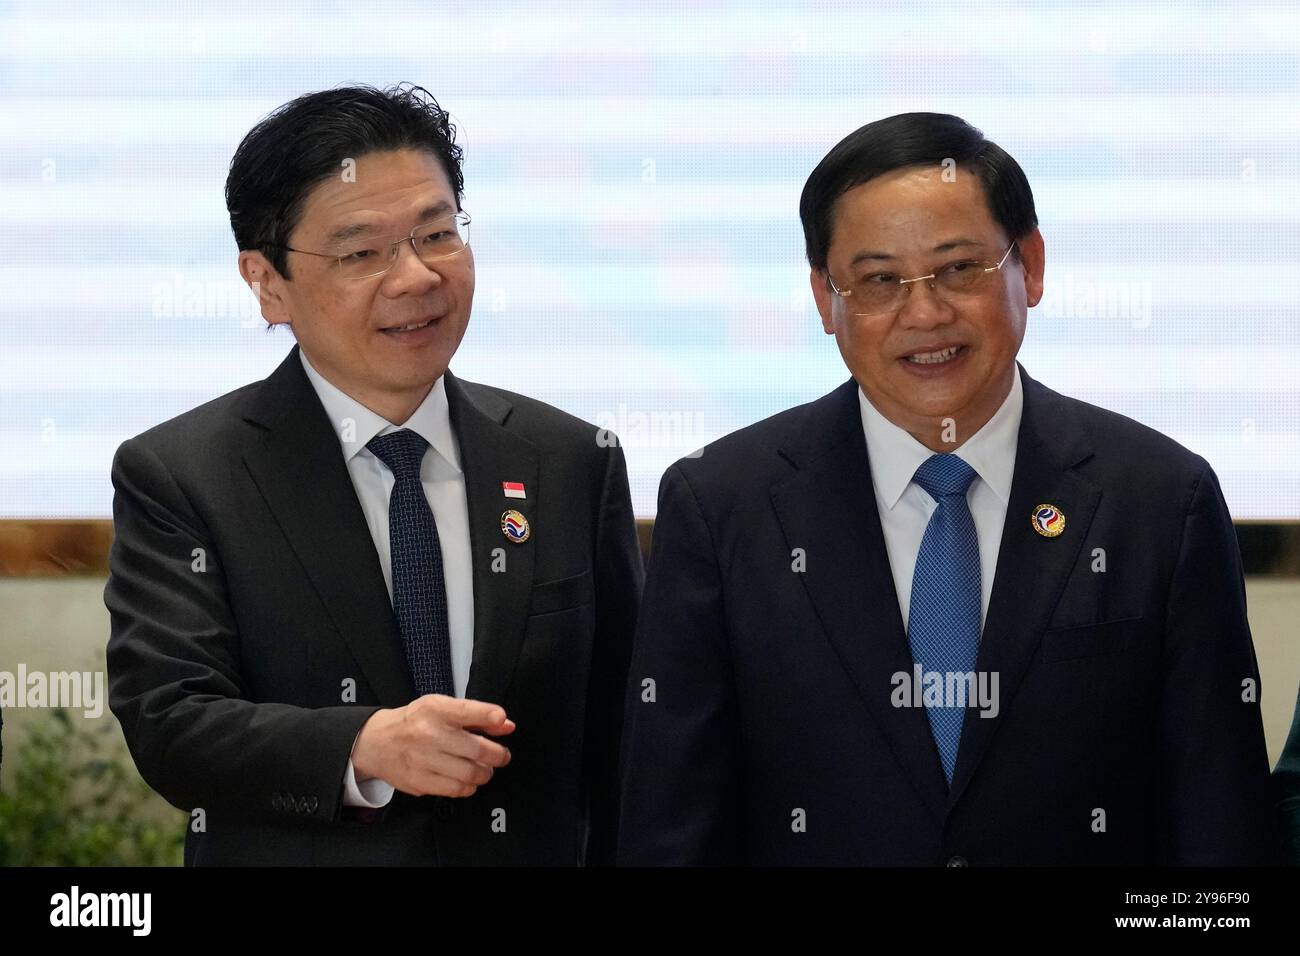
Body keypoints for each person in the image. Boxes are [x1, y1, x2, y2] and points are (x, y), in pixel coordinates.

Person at [618, 112, 1279, 865]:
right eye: (878, 281)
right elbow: (669, 831)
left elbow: (1220, 836)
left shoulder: (1163, 501)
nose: (925, 313)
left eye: (960, 269)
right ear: (825, 299)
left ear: (1028, 264)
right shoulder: (721, 506)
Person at [105, 84, 642, 865]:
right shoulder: (185, 475)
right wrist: (362, 745)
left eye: (438, 234)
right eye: (362, 252)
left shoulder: (568, 459)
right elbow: (171, 723)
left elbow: (626, 731)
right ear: (267, 282)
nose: (417, 277)